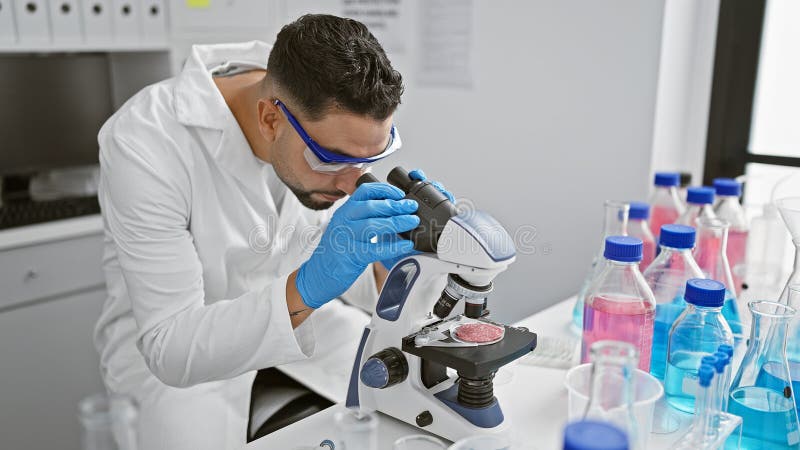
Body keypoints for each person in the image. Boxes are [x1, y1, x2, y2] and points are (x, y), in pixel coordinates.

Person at [93, 14, 452, 449]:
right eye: (331, 160)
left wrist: (393, 265)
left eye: (369, 157)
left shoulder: (323, 116)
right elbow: (170, 346)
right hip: (181, 363)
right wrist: (309, 285)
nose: (350, 182)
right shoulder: (145, 142)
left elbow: (356, 283)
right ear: (269, 120)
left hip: (307, 325)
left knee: (416, 410)